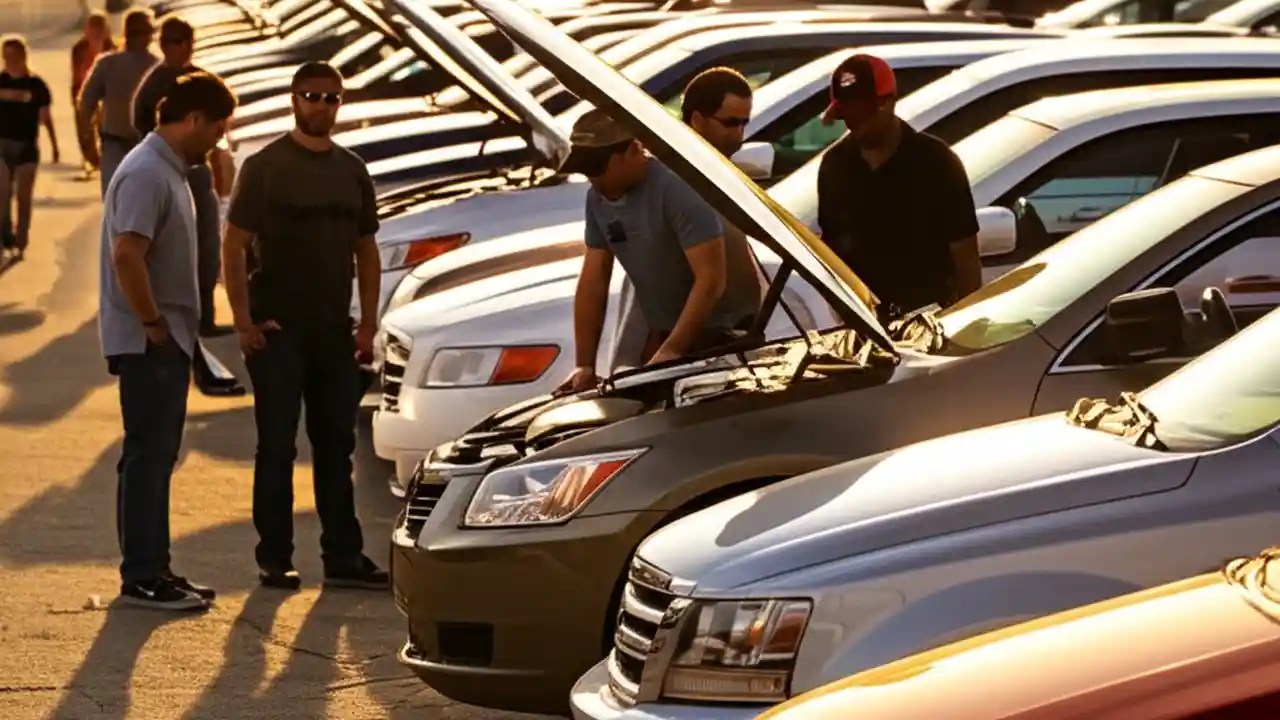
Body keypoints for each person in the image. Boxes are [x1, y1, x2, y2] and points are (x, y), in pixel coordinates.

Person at [222, 62, 388, 591]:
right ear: (295, 100)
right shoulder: (266, 166)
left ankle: (343, 556)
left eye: (333, 98)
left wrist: (367, 324)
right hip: (278, 331)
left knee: (336, 447)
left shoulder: (351, 169)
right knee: (276, 446)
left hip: (334, 332)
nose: (323, 106)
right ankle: (275, 557)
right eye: (313, 96)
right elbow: (233, 243)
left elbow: (366, 249)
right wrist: (242, 320)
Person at [98, 71, 236, 611]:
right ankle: (143, 577)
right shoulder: (147, 174)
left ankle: (156, 568)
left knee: (155, 456)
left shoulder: (168, 168)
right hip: (149, 341)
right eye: (218, 129)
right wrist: (152, 322)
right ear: (193, 120)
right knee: (149, 457)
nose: (219, 140)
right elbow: (127, 255)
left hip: (166, 336)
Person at [557, 108, 757, 394]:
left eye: (599, 168)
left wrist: (673, 350)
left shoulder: (678, 189)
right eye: (587, 171)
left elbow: (710, 279)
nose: (594, 179)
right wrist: (584, 365)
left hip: (720, 334)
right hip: (665, 330)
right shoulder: (597, 199)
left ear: (634, 150)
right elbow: (594, 281)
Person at [817, 53, 981, 322]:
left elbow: (965, 257)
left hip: (931, 322)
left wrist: (966, 321)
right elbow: (833, 251)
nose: (854, 126)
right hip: (865, 325)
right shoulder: (835, 165)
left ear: (887, 102)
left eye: (862, 116)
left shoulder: (936, 162)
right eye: (847, 117)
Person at [132, 16, 246, 397]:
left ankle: (204, 318)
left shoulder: (201, 80)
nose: (182, 48)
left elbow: (218, 138)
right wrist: (152, 323)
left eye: (187, 41)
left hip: (196, 175)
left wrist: (214, 167)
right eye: (175, 41)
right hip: (174, 167)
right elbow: (127, 256)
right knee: (171, 251)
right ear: (165, 44)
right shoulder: (155, 85)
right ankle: (190, 336)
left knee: (205, 248)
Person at [77, 8, 158, 196]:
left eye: (146, 32)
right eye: (141, 32)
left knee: (131, 202)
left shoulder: (156, 66)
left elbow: (86, 102)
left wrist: (87, 133)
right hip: (116, 143)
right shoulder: (108, 64)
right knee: (119, 202)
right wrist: (88, 137)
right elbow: (87, 100)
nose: (145, 38)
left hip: (145, 145)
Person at [0, 36, 58, 261]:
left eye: (14, 56)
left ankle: (21, 240)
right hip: (1, 146)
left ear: (23, 56)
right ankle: (5, 237)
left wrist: (53, 145)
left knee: (24, 198)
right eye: (6, 56)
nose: (9, 60)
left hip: (27, 149)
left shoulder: (37, 86)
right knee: (3, 195)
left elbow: (45, 117)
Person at [71, 11, 115, 177]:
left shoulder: (113, 47)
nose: (96, 33)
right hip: (84, 88)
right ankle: (90, 159)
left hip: (106, 92)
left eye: (100, 29)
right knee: (84, 127)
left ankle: (102, 159)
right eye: (93, 29)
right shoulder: (79, 48)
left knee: (105, 126)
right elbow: (77, 74)